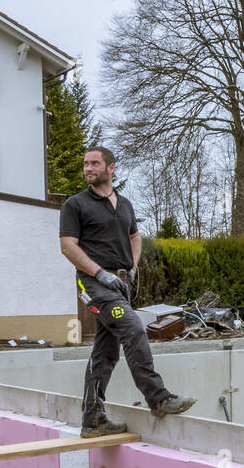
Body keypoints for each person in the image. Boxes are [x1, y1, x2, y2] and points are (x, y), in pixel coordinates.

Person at [58, 146, 195, 437]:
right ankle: (158, 398)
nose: (88, 168)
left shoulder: (125, 204)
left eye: (94, 163)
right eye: (85, 164)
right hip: (93, 284)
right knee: (133, 327)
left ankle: (93, 419)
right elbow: (68, 245)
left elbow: (135, 235)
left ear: (111, 168)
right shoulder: (75, 205)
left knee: (105, 352)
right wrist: (99, 273)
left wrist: (132, 266)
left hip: (121, 285)